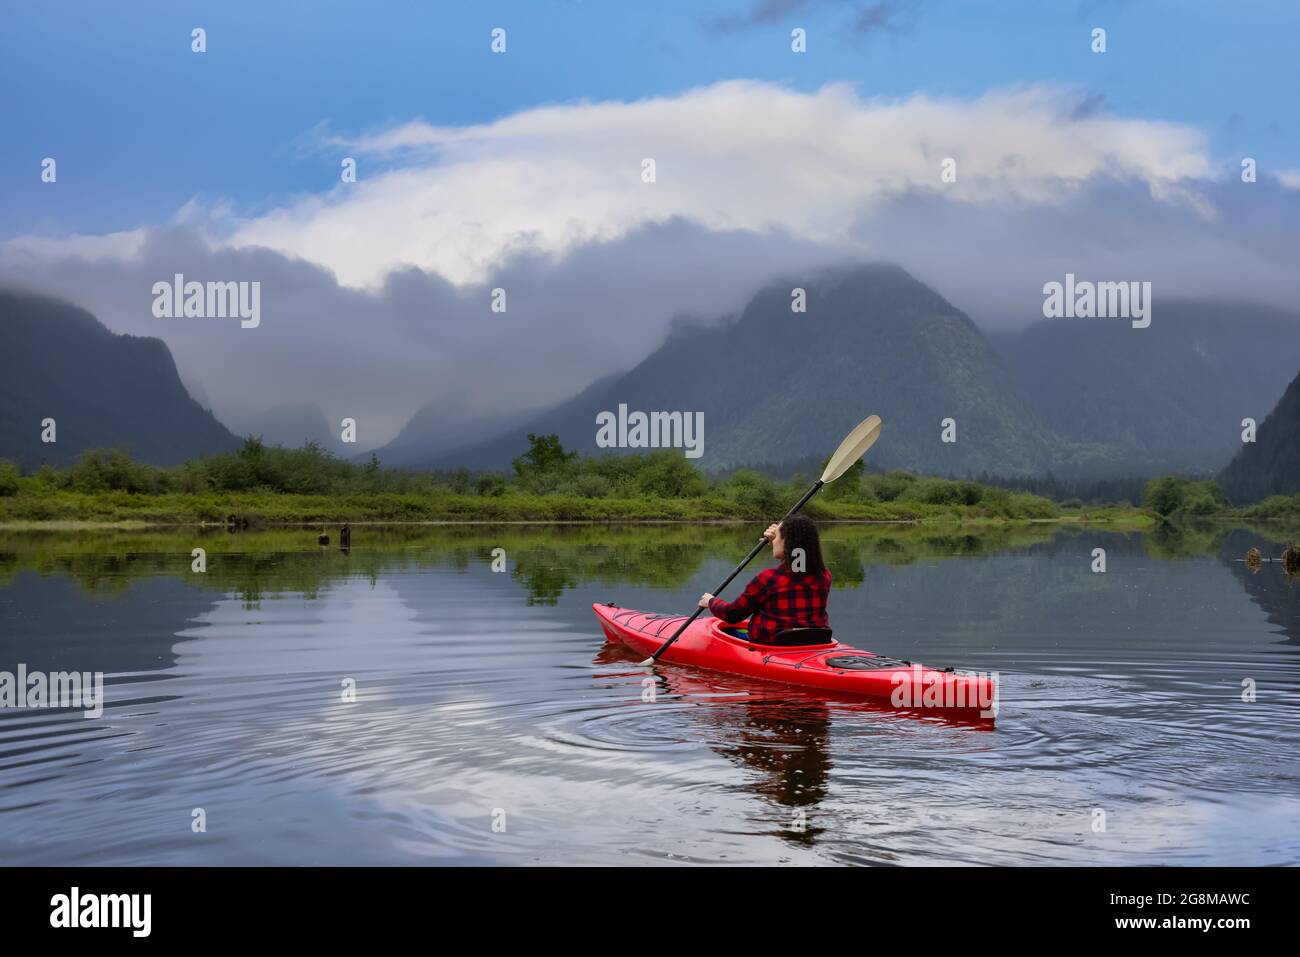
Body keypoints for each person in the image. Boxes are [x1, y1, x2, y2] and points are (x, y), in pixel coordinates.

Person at [699, 515, 831, 644]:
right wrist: (782, 542)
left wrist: (711, 602)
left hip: (774, 643)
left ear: (787, 543)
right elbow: (799, 570)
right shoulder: (824, 576)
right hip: (815, 640)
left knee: (727, 631)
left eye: (777, 538)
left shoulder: (768, 579)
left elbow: (733, 615)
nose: (773, 541)